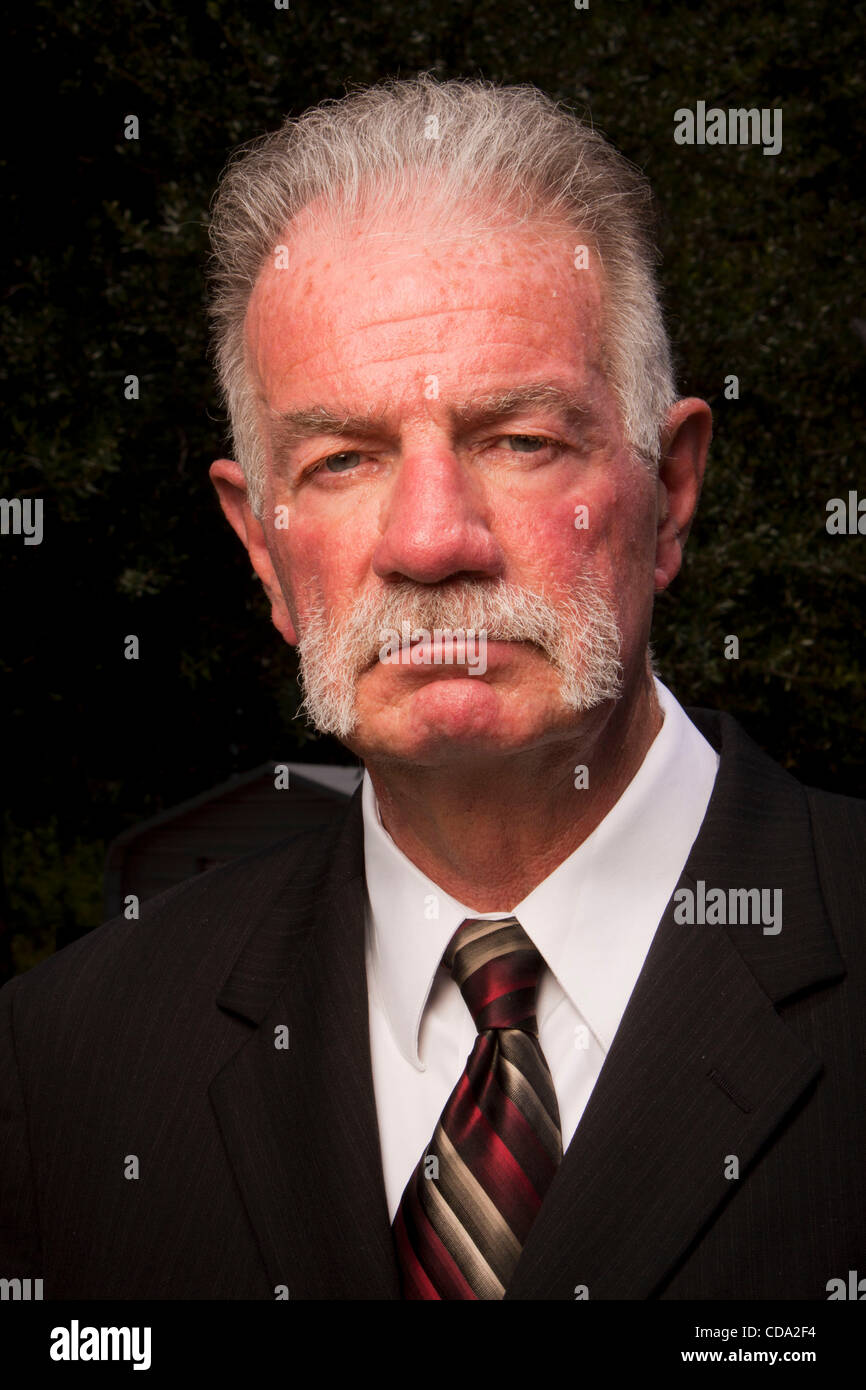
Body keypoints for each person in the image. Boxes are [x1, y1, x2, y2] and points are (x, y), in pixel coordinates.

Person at [1, 74, 863, 1301]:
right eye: (342, 459)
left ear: (667, 491)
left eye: (517, 440)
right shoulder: (67, 1061)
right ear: (264, 548)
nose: (429, 539)